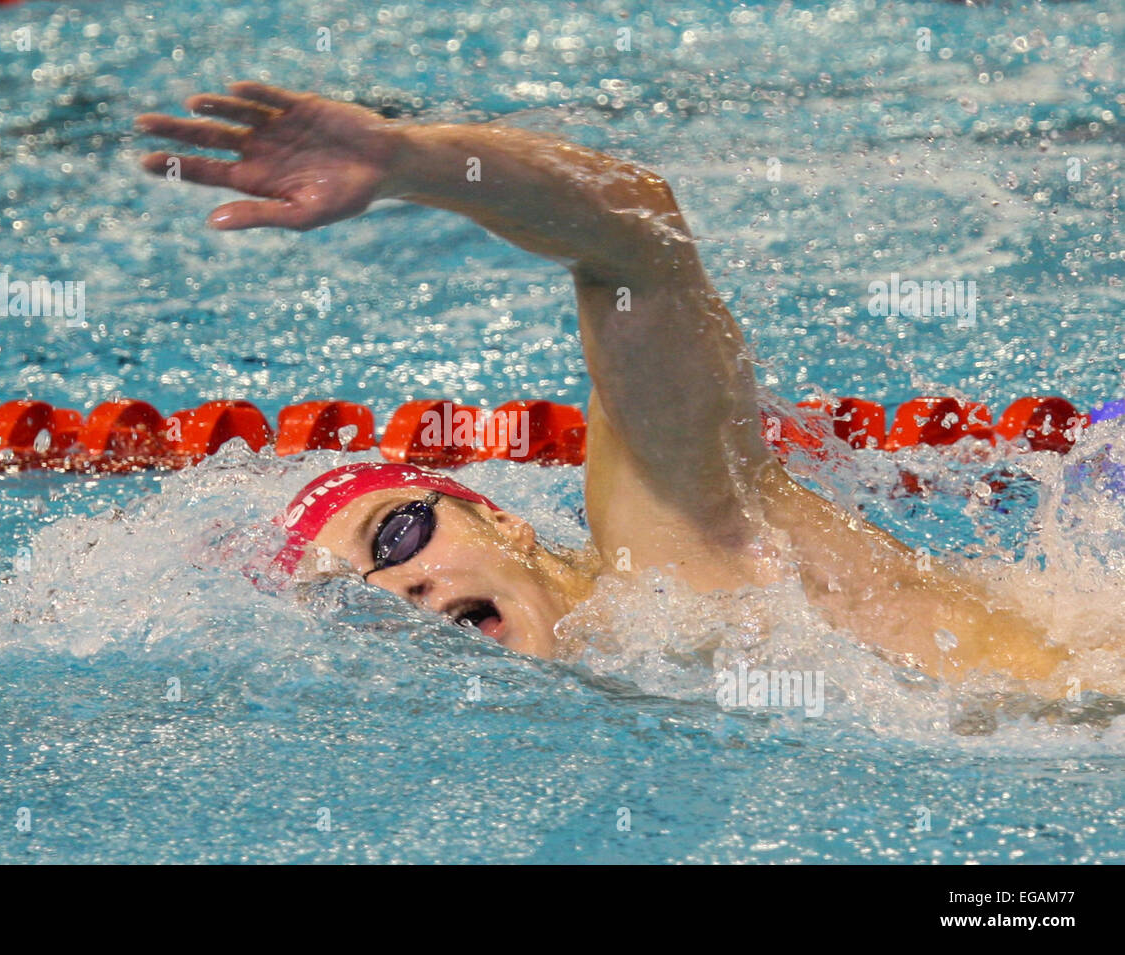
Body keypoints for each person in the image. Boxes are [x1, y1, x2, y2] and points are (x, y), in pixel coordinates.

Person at [136, 81, 1070, 688]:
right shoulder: (623, 677)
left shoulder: (678, 550)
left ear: (502, 519)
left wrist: (411, 164)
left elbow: (639, 245)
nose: (401, 588)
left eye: (397, 534)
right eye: (357, 599)